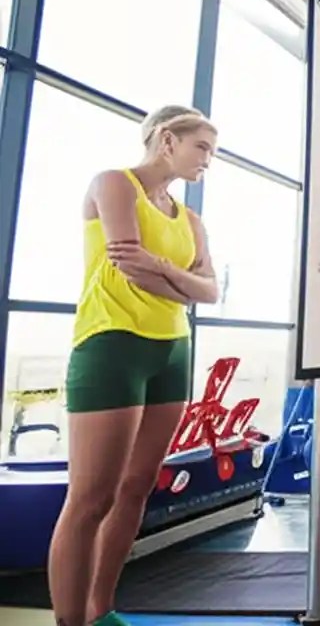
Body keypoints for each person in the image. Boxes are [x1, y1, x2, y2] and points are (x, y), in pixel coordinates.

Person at [49, 105, 221, 626]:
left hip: (171, 349)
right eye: (203, 149)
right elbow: (128, 266)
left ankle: (102, 611)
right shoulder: (113, 184)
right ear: (167, 140)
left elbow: (210, 291)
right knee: (90, 498)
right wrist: (178, 281)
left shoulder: (190, 219)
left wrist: (164, 267)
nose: (208, 162)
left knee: (137, 485)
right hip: (111, 344)